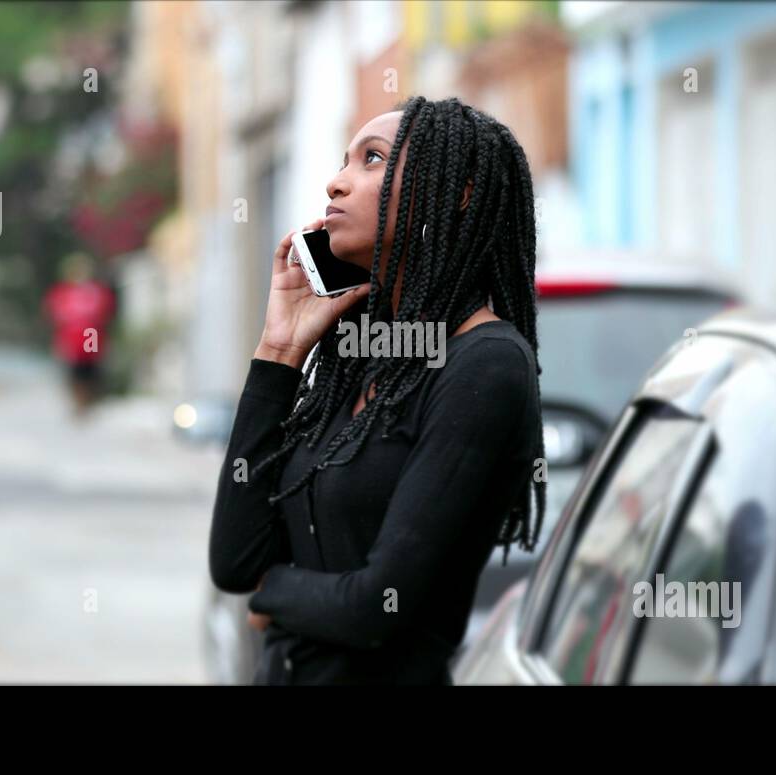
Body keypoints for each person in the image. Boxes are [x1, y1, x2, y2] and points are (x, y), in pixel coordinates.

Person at [208, 96, 546, 685]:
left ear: (456, 194)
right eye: (343, 161)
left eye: (371, 160)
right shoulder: (361, 355)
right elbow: (235, 563)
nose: (336, 184)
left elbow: (375, 606)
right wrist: (280, 352)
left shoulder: (486, 367)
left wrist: (273, 592)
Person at [41, 252, 115, 420]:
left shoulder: (97, 292)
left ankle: (88, 402)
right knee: (73, 373)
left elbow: (105, 314)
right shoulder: (62, 293)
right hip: (71, 339)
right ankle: (78, 403)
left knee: (90, 371)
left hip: (91, 337)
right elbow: (53, 314)